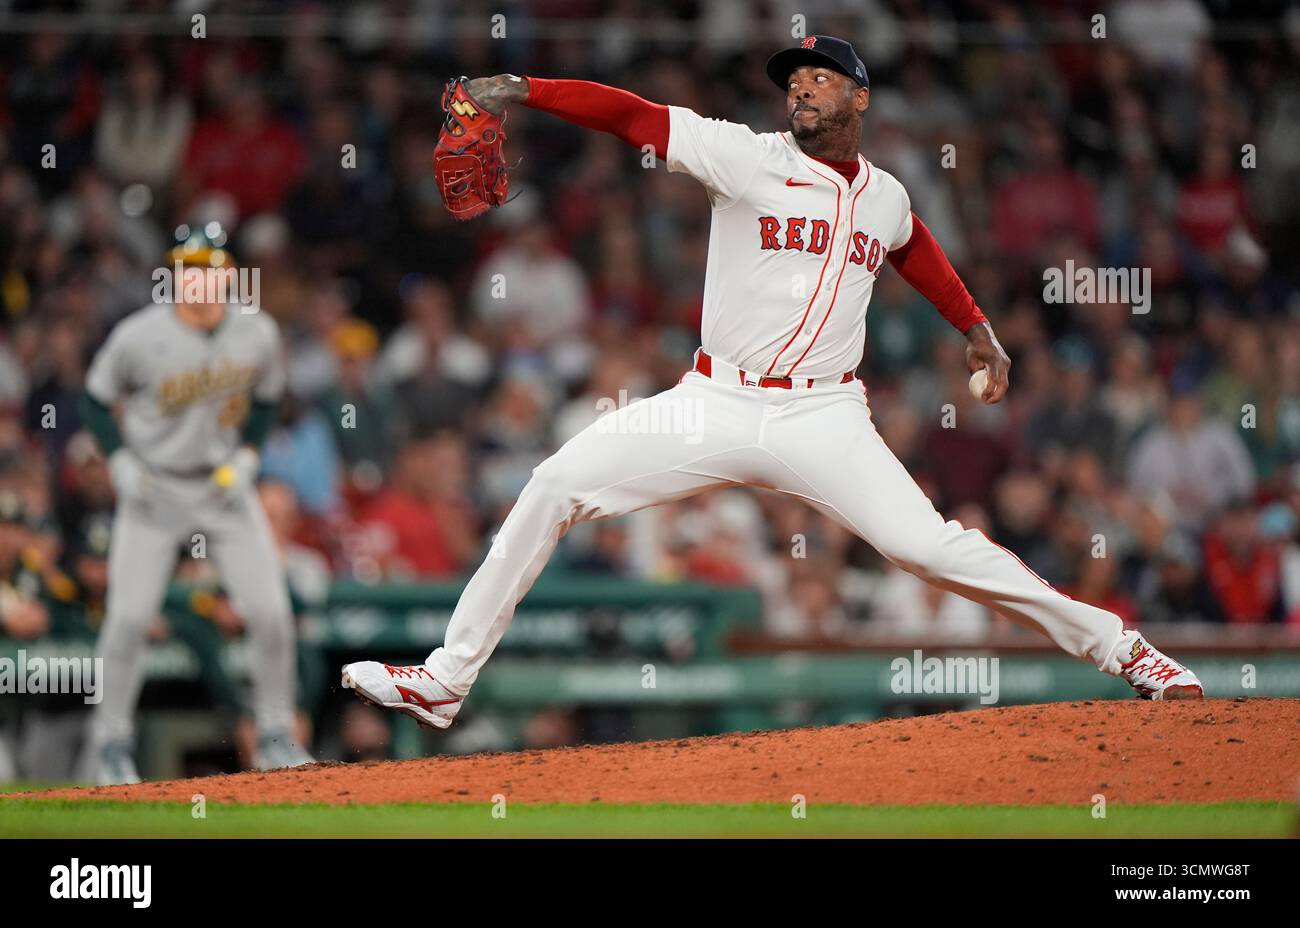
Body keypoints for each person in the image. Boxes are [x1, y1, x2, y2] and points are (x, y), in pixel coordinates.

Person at [343, 35, 1203, 730]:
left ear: (859, 99)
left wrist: (977, 331)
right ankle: (448, 680)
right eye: (794, 79)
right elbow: (632, 116)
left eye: (821, 78)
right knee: (553, 483)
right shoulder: (743, 156)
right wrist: (521, 87)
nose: (801, 89)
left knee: (927, 548)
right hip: (715, 400)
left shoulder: (886, 195)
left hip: (823, 416)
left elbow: (915, 250)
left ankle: (1124, 651)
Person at [77, 226, 311, 784]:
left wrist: (251, 454)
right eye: (187, 268)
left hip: (222, 486)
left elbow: (267, 399)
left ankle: (277, 734)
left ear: (228, 274)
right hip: (153, 487)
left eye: (207, 267)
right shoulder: (139, 335)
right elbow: (92, 399)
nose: (197, 278)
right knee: (129, 618)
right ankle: (111, 745)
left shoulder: (257, 332)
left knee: (272, 613)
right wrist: (119, 461)